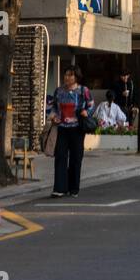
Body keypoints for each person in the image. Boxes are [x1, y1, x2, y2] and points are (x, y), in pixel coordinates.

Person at [47, 66, 92, 197]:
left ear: (76, 77)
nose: (67, 77)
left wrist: (86, 111)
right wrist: (54, 116)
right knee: (60, 157)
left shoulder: (83, 90)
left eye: (70, 75)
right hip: (62, 128)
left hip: (77, 129)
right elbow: (54, 107)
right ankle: (60, 188)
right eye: (66, 75)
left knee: (75, 159)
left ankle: (73, 188)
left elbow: (91, 104)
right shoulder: (59, 91)